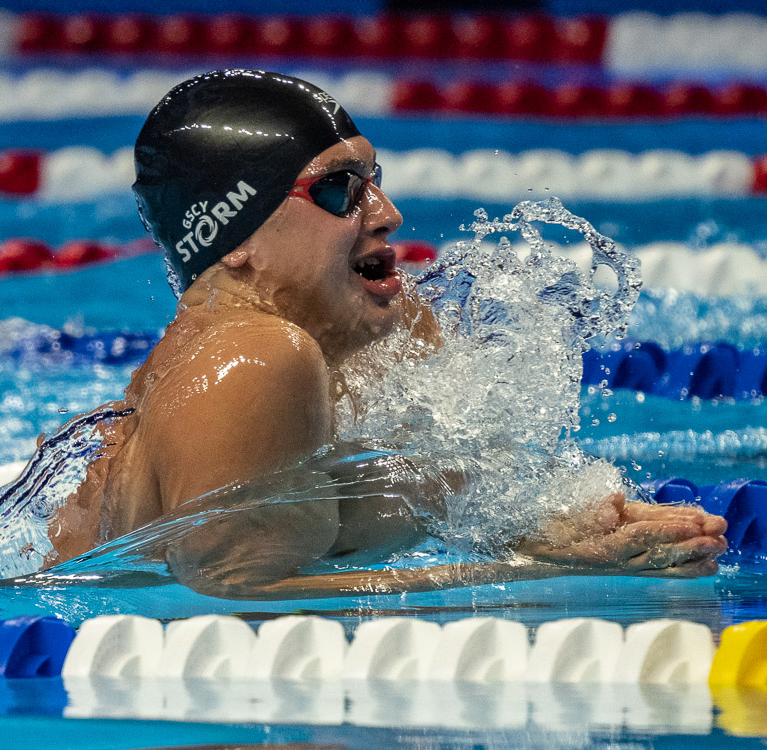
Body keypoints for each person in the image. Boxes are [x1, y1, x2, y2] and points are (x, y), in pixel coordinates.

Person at [43, 70, 727, 599]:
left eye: (374, 179)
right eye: (338, 190)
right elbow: (237, 609)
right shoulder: (255, 357)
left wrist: (548, 528)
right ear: (234, 236)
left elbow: (443, 495)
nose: (388, 213)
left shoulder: (372, 331)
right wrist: (545, 572)